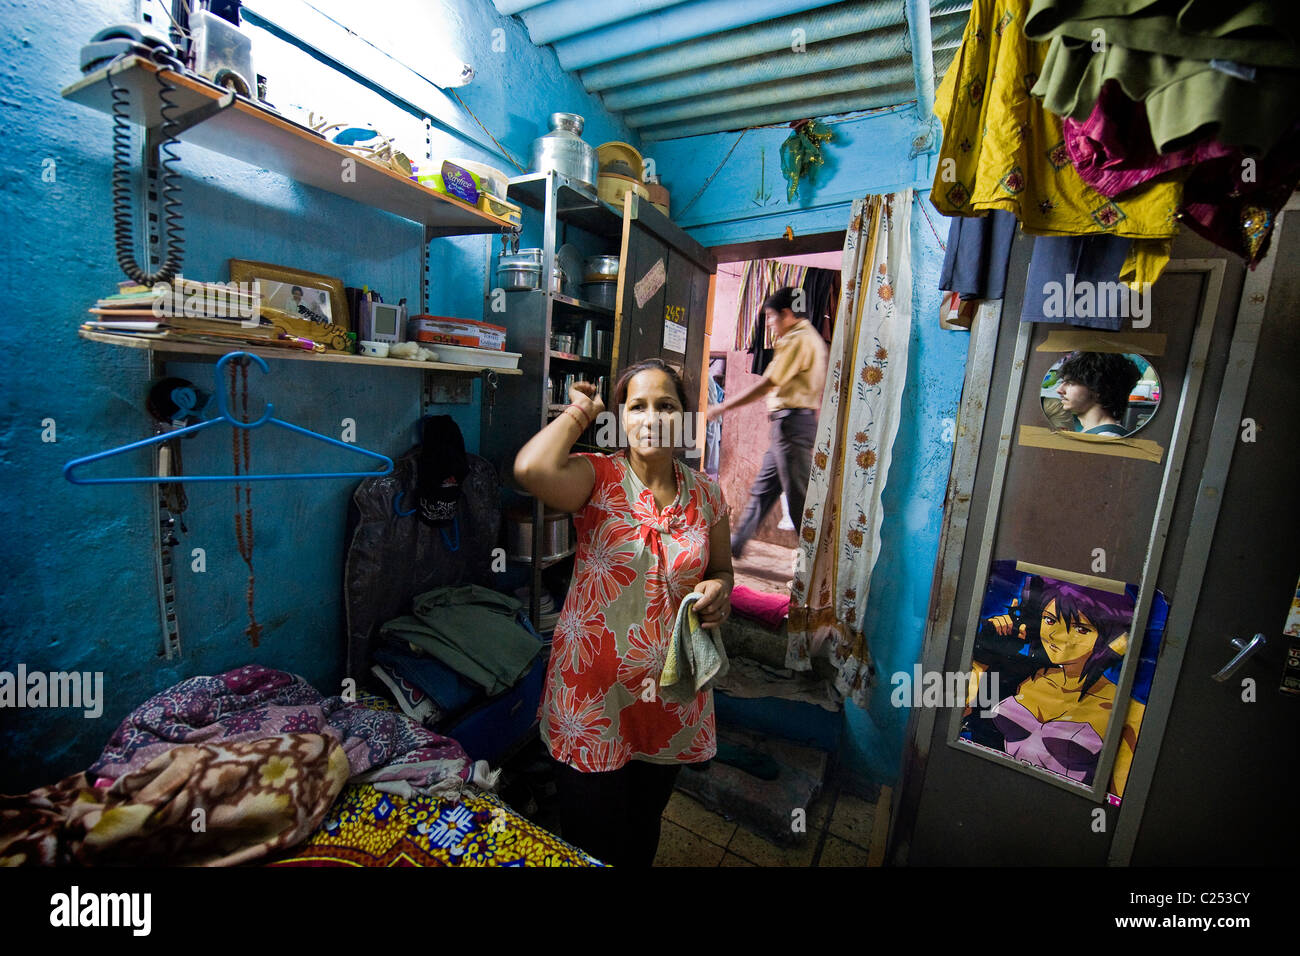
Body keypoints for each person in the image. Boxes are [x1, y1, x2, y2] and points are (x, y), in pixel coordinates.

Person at [513, 358, 734, 867]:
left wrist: (719, 592)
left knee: (642, 825)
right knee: (589, 838)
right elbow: (531, 469)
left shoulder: (706, 493)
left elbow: (722, 569)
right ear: (620, 419)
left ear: (683, 417)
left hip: (670, 698)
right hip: (593, 695)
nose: (652, 418)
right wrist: (578, 414)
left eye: (667, 406)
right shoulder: (598, 476)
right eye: (637, 407)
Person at [969, 579, 1144, 796]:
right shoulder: (1027, 674)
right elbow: (957, 714)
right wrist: (983, 660)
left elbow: (1119, 797)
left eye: (1081, 629)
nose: (1057, 636)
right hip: (988, 787)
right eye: (1050, 620)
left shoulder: (1123, 706)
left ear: (1107, 636)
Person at [706, 286, 828, 558]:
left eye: (772, 317)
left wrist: (722, 407)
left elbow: (769, 384)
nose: (770, 325)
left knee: (799, 501)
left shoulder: (798, 339)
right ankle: (733, 548)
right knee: (762, 491)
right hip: (787, 427)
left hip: (792, 424)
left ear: (787, 314)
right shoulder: (808, 337)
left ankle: (814, 563)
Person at [1054, 351, 1141, 437]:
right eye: (1062, 382)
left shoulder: (1108, 437)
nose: (1059, 390)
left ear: (1099, 388)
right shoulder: (1097, 434)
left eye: (1071, 383)